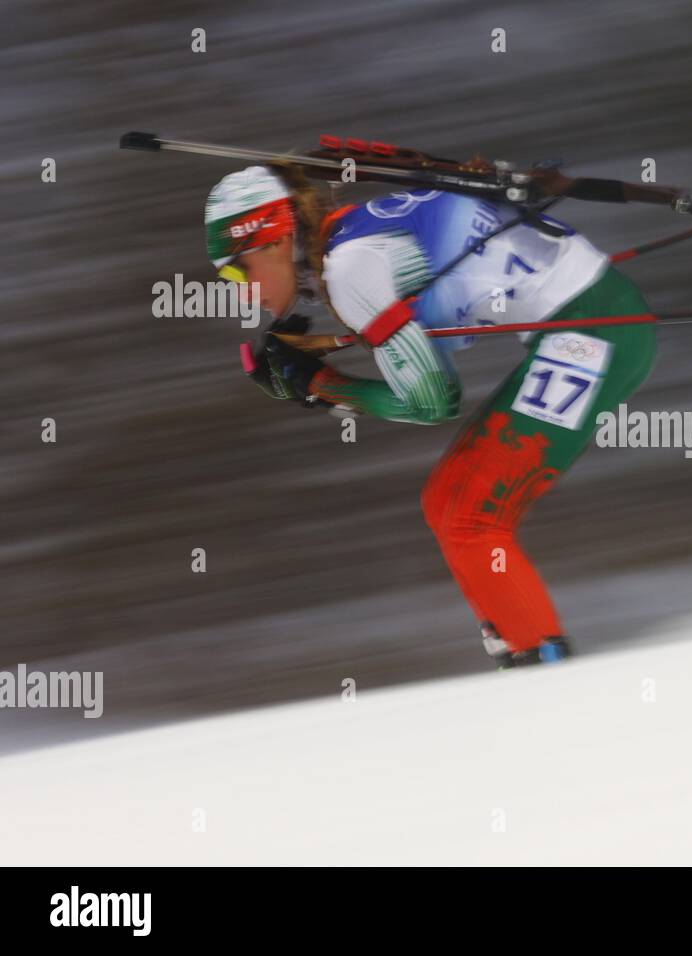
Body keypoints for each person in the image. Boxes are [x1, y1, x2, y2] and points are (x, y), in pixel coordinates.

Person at [204, 164, 657, 667]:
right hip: (593, 314)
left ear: (274, 239)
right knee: (447, 502)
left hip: (593, 333)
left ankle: (544, 668)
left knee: (471, 515)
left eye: (236, 270)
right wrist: (320, 377)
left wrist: (317, 385)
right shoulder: (353, 235)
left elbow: (433, 401)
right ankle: (521, 645)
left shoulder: (350, 268)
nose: (243, 291)